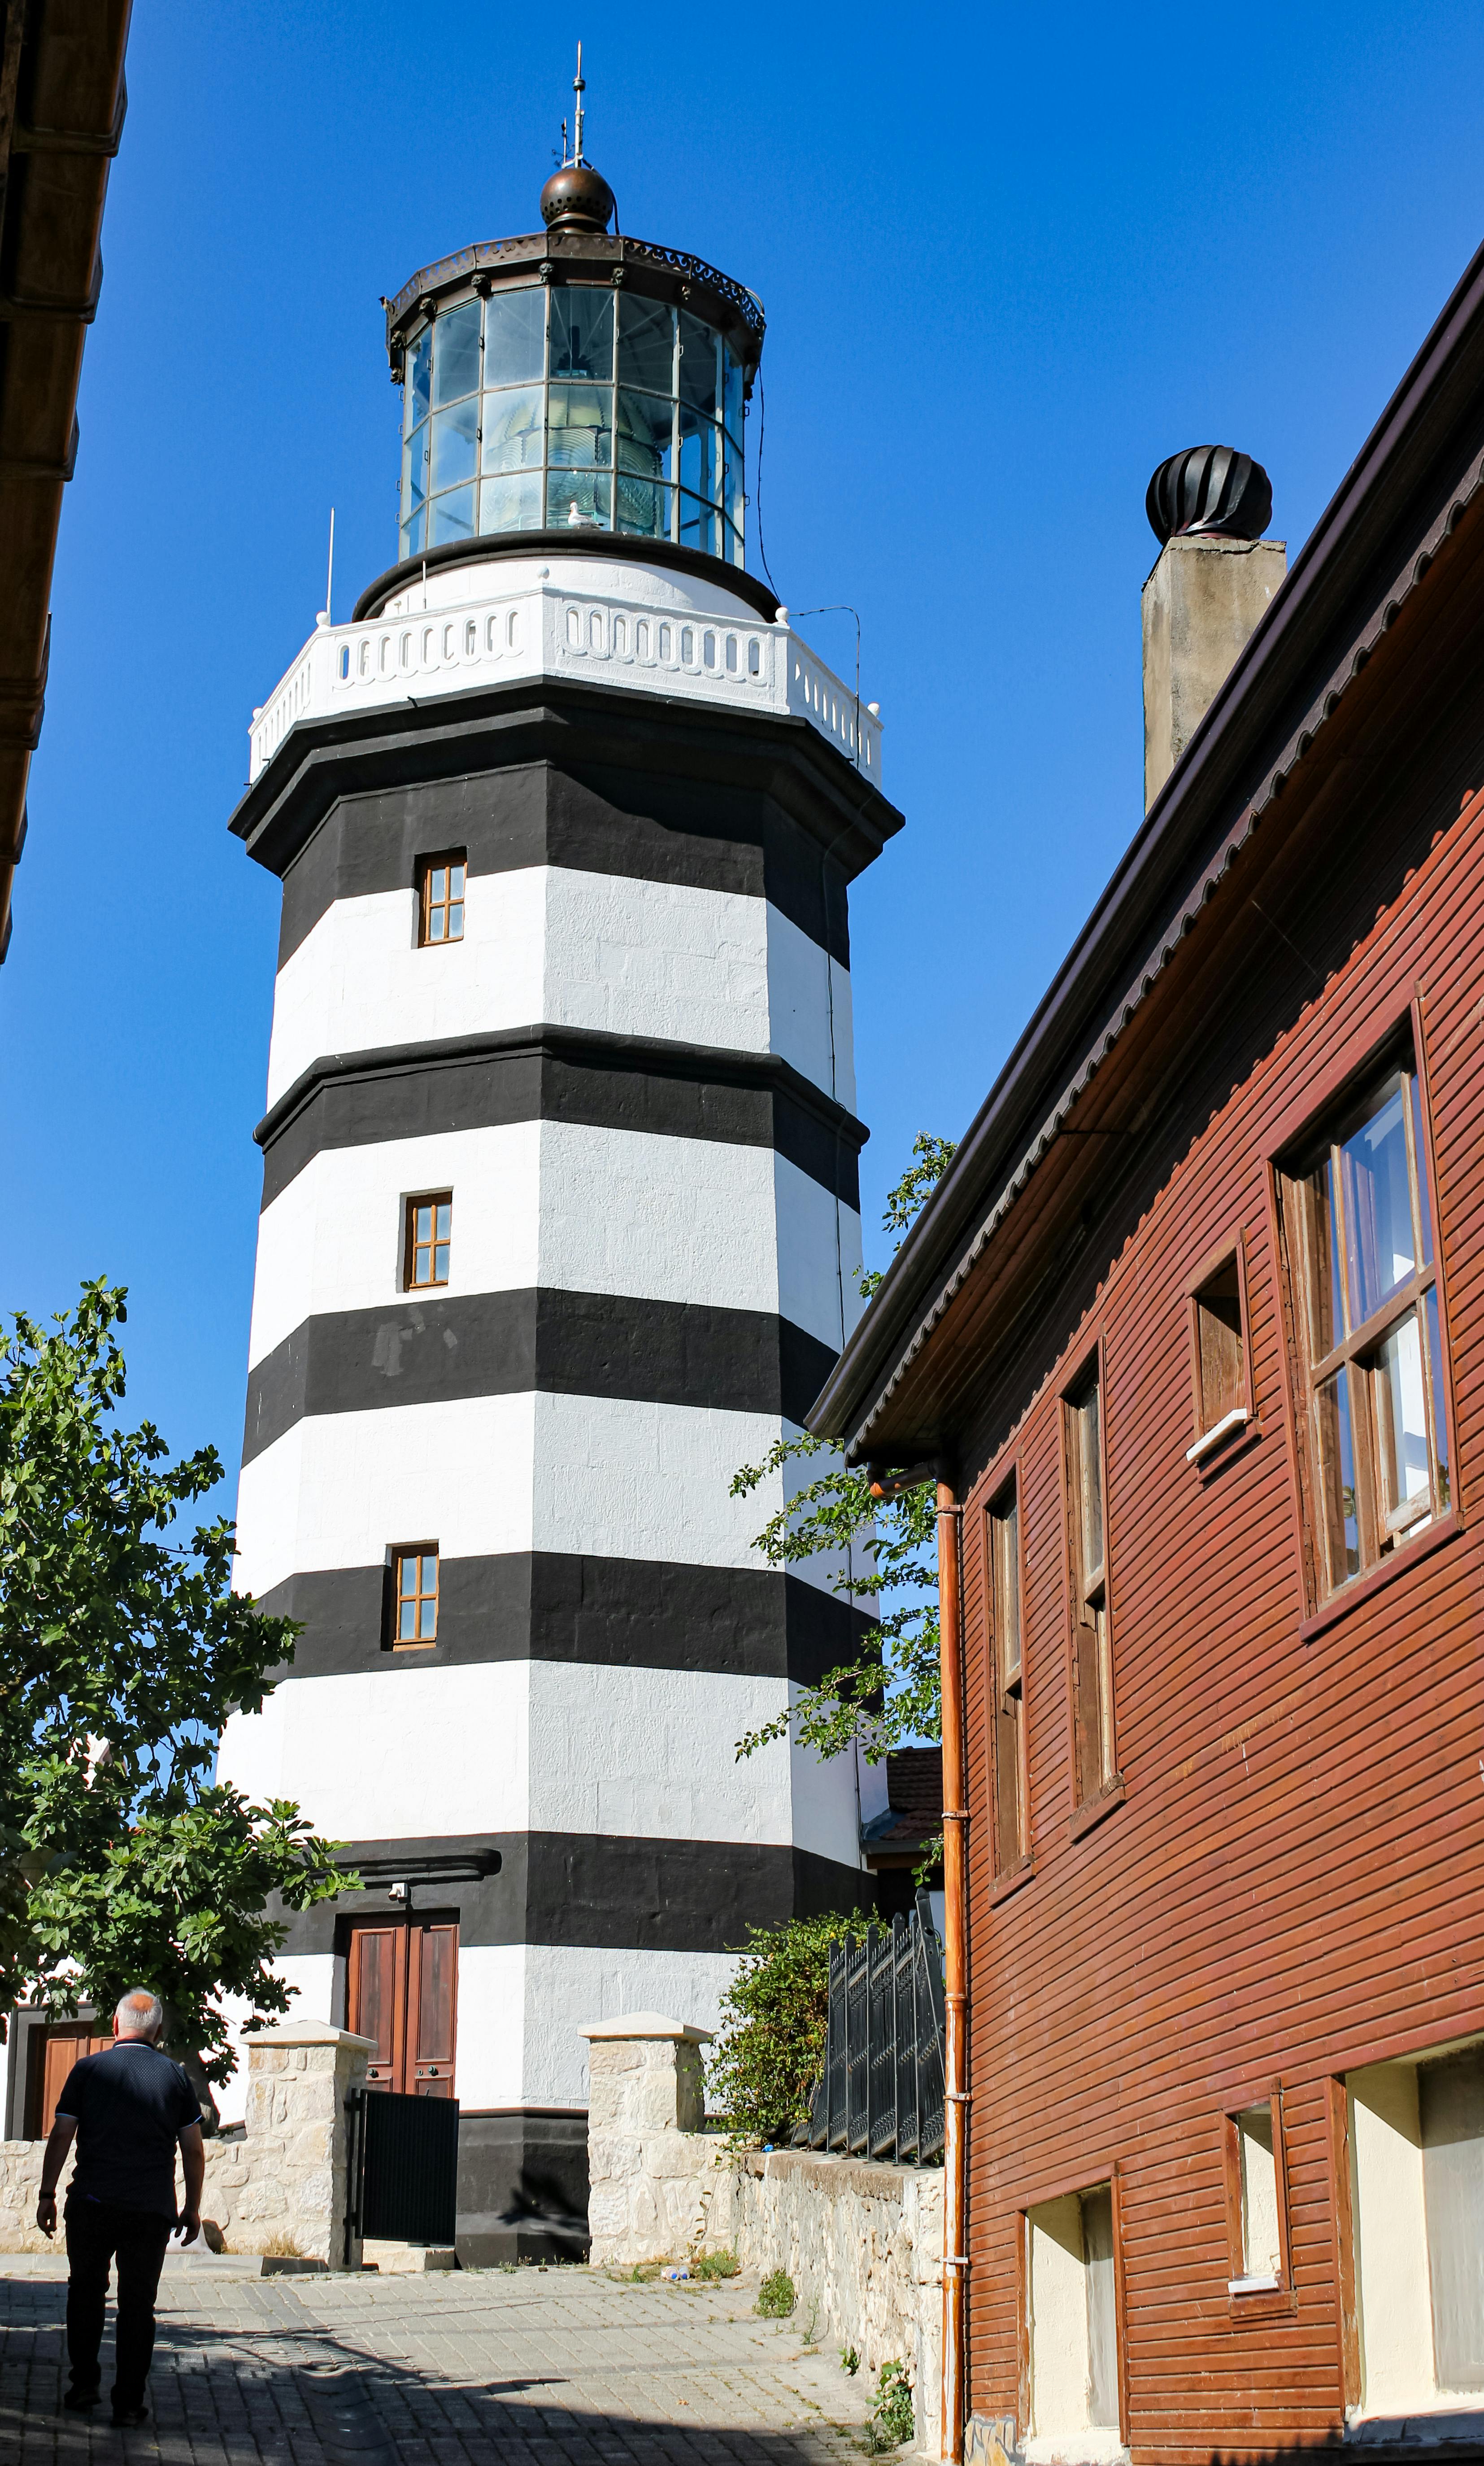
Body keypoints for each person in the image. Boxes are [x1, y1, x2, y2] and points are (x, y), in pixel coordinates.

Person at [35, 1988, 205, 2428]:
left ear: (114, 2024)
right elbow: (193, 2150)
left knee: (86, 2292)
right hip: (150, 2209)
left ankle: (83, 2382)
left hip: (91, 2202)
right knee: (137, 2305)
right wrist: (191, 2207)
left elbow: (62, 2134)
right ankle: (129, 2402)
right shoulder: (175, 2077)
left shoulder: (88, 2069)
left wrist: (47, 2193)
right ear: (159, 2031)